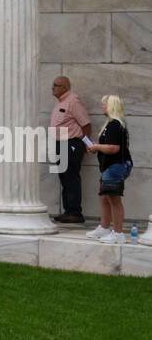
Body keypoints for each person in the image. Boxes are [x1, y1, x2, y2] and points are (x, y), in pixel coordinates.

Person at [86, 95, 132, 243]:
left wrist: (96, 146)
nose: (102, 106)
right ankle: (104, 228)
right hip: (110, 167)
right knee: (105, 198)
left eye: (105, 104)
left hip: (115, 166)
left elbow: (113, 148)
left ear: (112, 106)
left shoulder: (115, 125)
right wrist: (97, 148)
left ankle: (118, 234)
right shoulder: (112, 124)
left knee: (114, 200)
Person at [50, 75, 90, 224]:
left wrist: (86, 144)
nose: (52, 87)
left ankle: (75, 212)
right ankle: (68, 211)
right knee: (64, 177)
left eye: (56, 85)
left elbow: (86, 124)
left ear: (65, 87)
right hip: (61, 144)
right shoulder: (61, 102)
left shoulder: (73, 101)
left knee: (71, 177)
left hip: (71, 144)